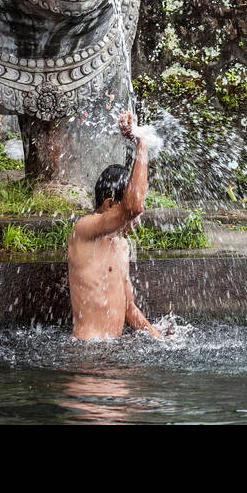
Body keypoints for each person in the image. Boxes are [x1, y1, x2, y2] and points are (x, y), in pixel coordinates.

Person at [68, 111, 161, 340]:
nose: (139, 217)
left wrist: (159, 338)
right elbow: (133, 208)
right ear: (109, 205)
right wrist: (141, 143)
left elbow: (129, 308)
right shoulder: (84, 230)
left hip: (113, 349)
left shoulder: (121, 245)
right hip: (87, 352)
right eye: (127, 209)